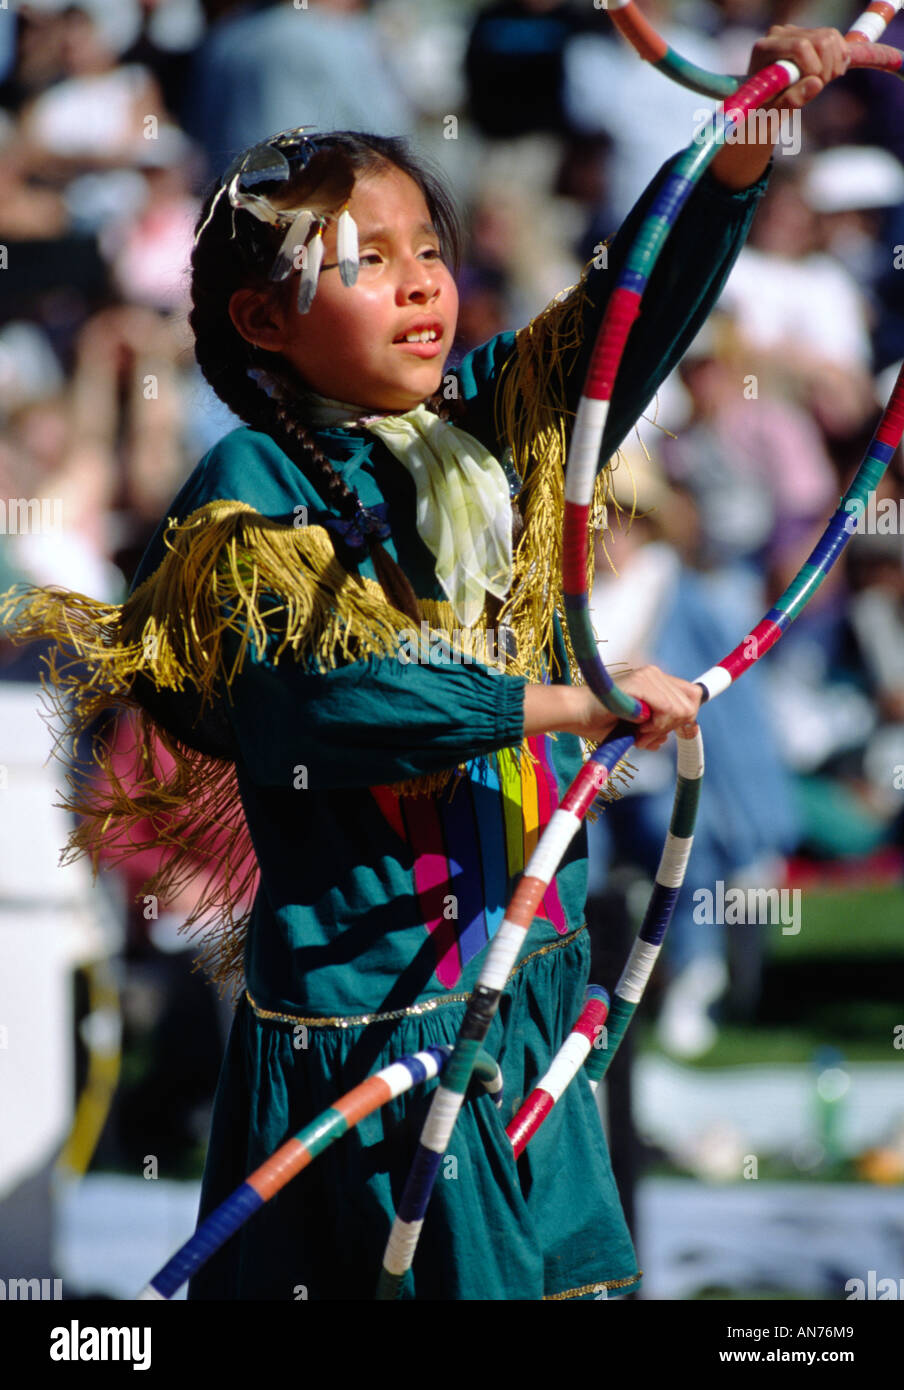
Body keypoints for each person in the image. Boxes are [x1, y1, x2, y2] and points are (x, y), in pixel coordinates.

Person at [0, 26, 850, 1300]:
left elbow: (627, 311)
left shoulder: (493, 429)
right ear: (259, 317)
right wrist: (562, 697)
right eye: (366, 262)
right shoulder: (249, 484)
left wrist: (738, 150)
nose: (418, 285)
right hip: (372, 1022)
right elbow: (315, 706)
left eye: (431, 253)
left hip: (525, 983)